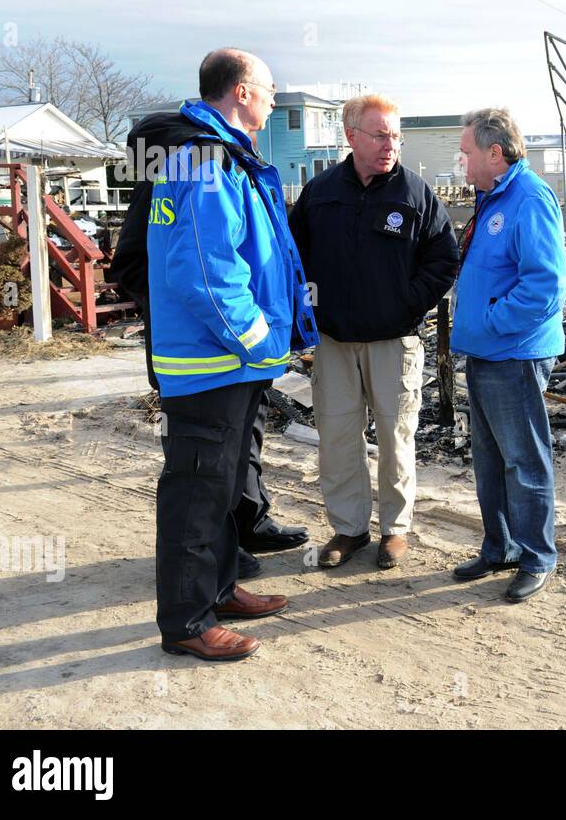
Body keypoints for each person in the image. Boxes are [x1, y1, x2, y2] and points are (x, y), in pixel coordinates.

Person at [146, 48, 318, 661]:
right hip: (214, 364)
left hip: (235, 366)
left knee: (222, 491)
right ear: (241, 91)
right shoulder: (203, 160)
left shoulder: (228, 158)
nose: (275, 99)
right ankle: (187, 622)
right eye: (270, 89)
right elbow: (204, 272)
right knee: (196, 495)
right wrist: (258, 339)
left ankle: (219, 588)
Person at [111, 122, 310, 584]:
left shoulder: (233, 171)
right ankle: (214, 565)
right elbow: (141, 265)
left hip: (242, 350)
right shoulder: (180, 178)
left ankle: (247, 526)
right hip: (202, 352)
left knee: (243, 447)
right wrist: (178, 313)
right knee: (203, 470)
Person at [288, 94, 458, 569]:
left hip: (393, 342)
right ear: (351, 137)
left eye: (395, 135)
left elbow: (444, 259)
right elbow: (291, 260)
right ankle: (349, 529)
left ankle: (395, 530)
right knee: (338, 438)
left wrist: (406, 302)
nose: (390, 144)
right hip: (334, 343)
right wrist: (307, 314)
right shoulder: (320, 194)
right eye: (380, 134)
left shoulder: (415, 194)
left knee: (396, 437)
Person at [450, 108, 566, 603]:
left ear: (494, 153)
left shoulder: (529, 198)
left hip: (513, 353)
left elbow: (546, 284)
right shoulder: (492, 197)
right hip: (485, 351)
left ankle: (536, 555)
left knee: (523, 461)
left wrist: (492, 321)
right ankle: (498, 546)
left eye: (467, 153)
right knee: (490, 458)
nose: (462, 162)